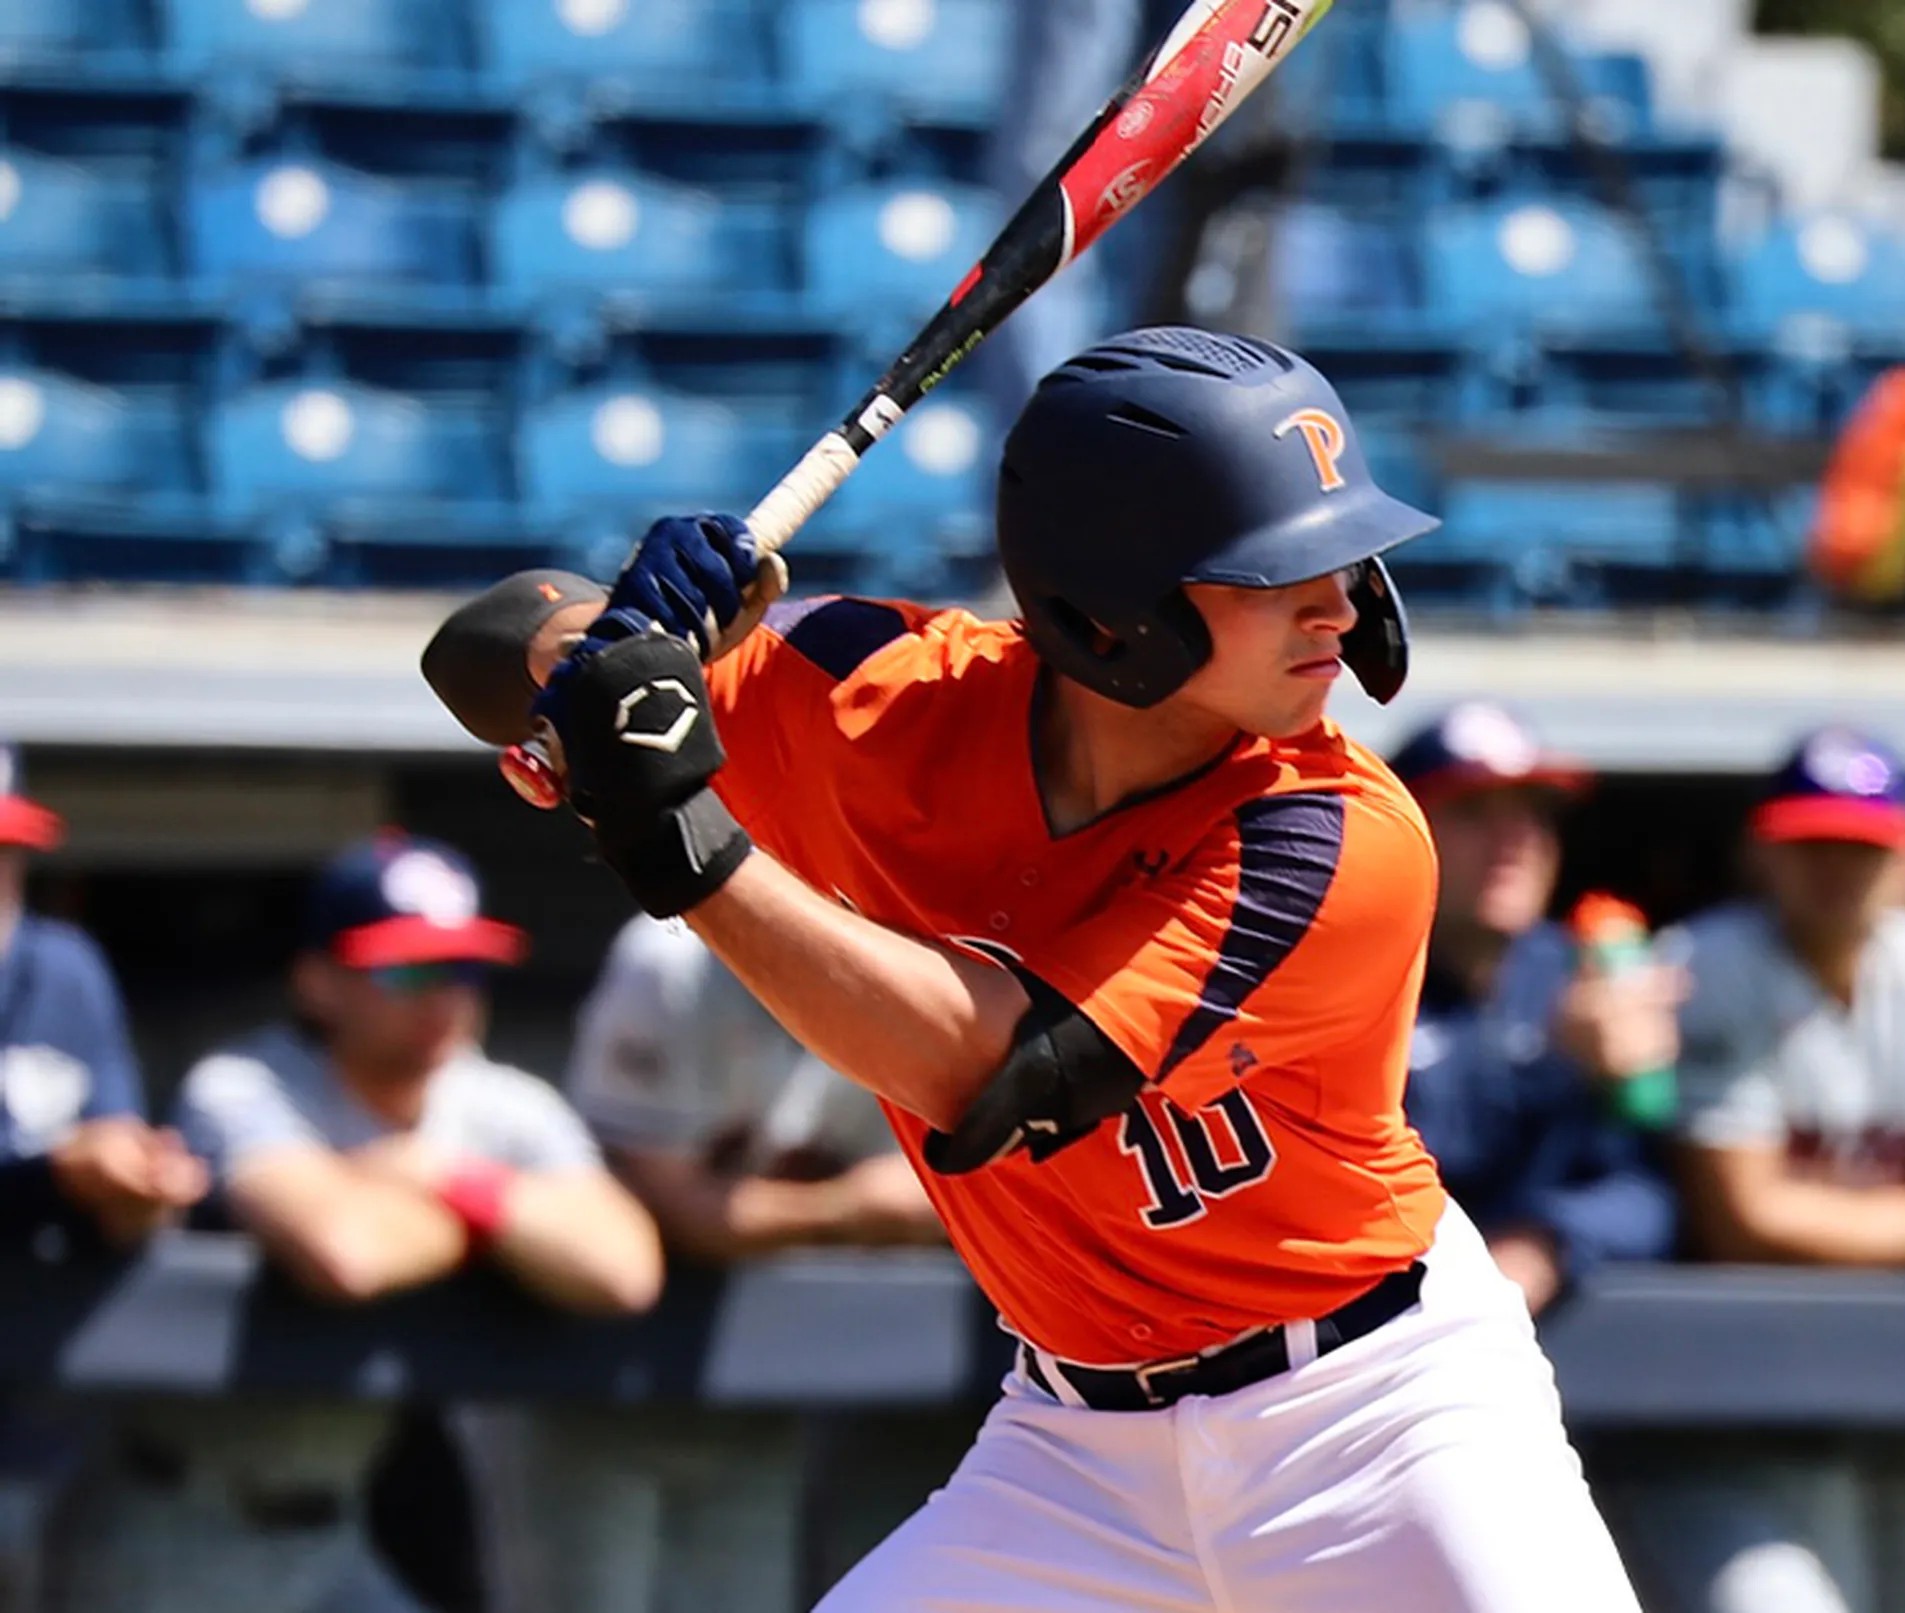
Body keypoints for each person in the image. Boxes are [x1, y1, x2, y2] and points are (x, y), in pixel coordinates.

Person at [422, 326, 1645, 1611]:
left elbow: (995, 1072)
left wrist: (679, 830)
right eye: (1276, 570)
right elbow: (477, 647)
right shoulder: (878, 692)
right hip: (1076, 1452)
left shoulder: (1336, 831)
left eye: (1342, 559)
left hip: (1378, 1414)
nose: (1336, 605)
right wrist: (609, 636)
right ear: (1110, 603)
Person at [49, 833, 663, 1613]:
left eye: (463, 969)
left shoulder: (497, 1103)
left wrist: (442, 1178)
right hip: (181, 1515)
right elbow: (346, 1253)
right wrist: (500, 1227)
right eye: (407, 970)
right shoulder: (244, 1083)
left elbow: (623, 1266)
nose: (442, 999)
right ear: (318, 983)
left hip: (340, 1527)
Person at [1600, 725, 1905, 1613]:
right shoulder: (1709, 962)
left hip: (1895, 1400)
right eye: (1812, 843)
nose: (1836, 868)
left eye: (1863, 847)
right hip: (1708, 1407)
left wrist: (1816, 1215)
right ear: (1761, 854)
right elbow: (1743, 1222)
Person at [473, 913, 944, 1613]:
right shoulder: (671, 955)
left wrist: (864, 1206)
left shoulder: (895, 953)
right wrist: (849, 1207)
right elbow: (671, 1205)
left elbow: (934, 1196)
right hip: (600, 1385)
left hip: (763, 1392)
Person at [1388, 700, 1680, 1316]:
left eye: (1532, 814)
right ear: (1399, 828)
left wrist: (1545, 1240)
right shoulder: (1344, 975)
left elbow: (1647, 1201)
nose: (1514, 841)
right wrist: (1555, 1064)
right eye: (1473, 812)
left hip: (1535, 1327)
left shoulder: (1582, 974)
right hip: (1379, 1318)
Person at [0, 746, 203, 1613]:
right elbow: (55, 1170)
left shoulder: (63, 968)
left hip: (45, 1404)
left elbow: (109, 1152)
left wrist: (139, 1187)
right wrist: (53, 1174)